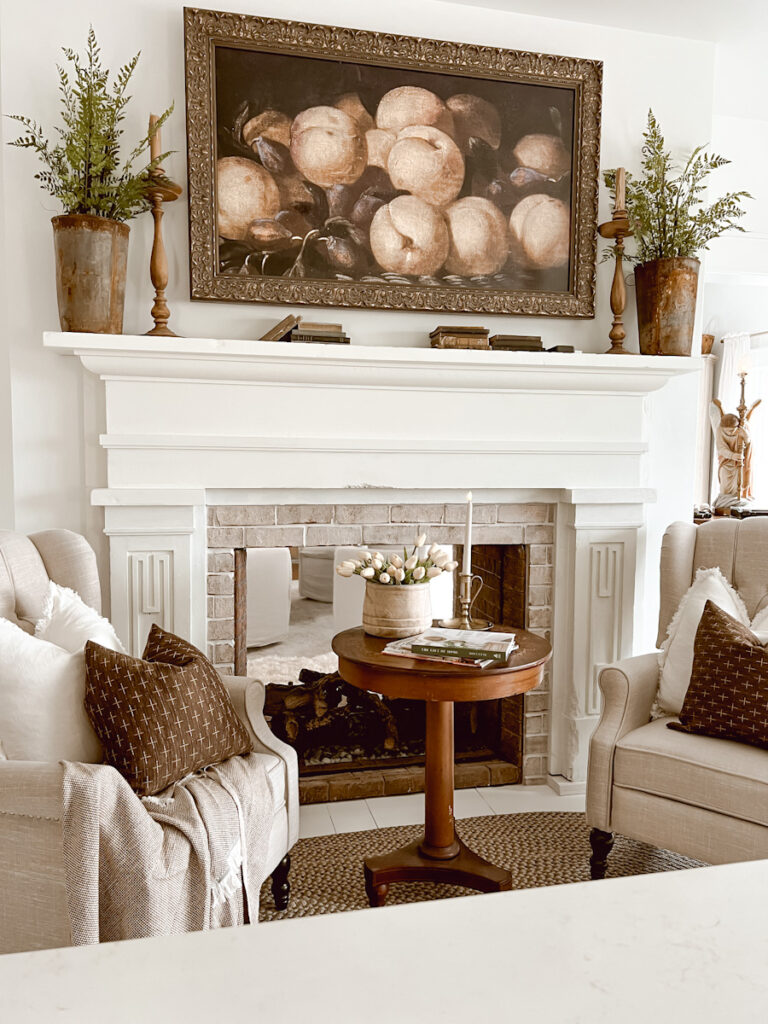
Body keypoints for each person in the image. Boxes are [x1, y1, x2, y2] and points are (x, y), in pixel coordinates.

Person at [709, 396, 761, 510]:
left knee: (740, 480)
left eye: (732, 430)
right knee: (725, 483)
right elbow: (721, 449)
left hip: (738, 463)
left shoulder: (740, 429)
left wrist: (744, 435)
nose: (731, 432)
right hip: (726, 461)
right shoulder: (720, 431)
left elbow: (748, 443)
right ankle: (725, 500)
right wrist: (733, 455)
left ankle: (738, 497)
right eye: (727, 431)